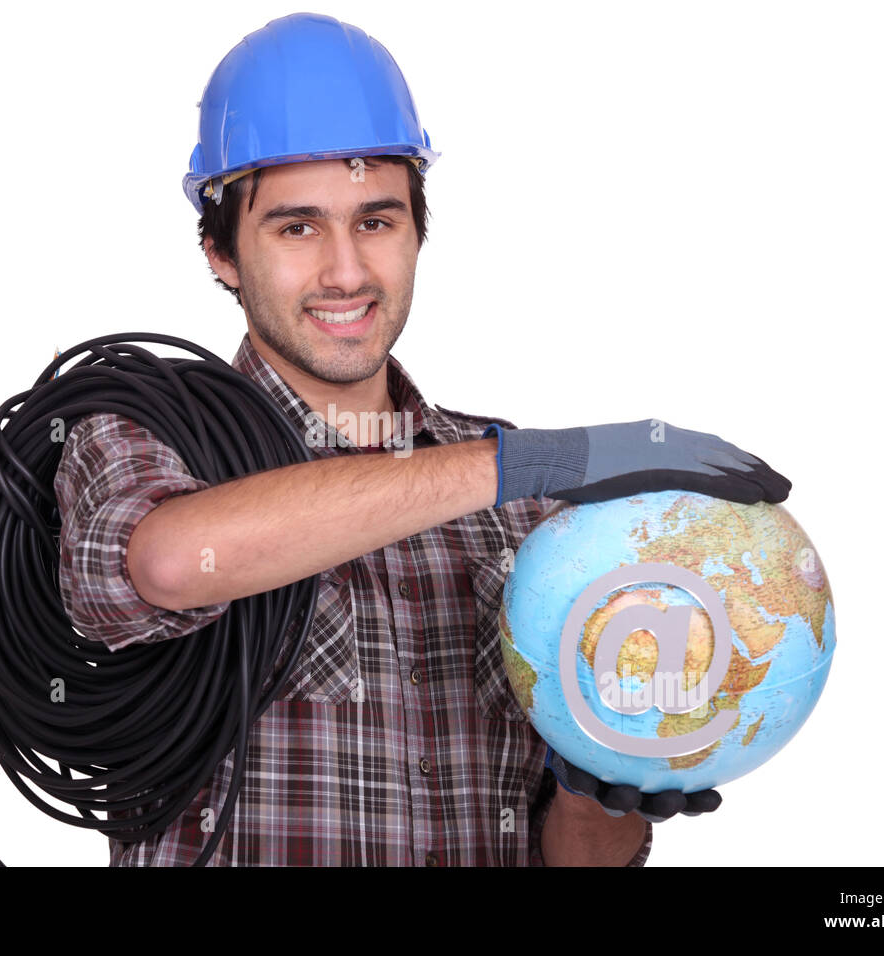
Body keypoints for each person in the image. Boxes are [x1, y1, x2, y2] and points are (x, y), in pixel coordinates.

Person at [53, 12, 790, 866]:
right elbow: (169, 565)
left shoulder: (520, 504)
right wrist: (527, 463)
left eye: (376, 221)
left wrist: (603, 793)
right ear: (220, 251)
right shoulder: (142, 429)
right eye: (296, 227)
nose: (346, 272)